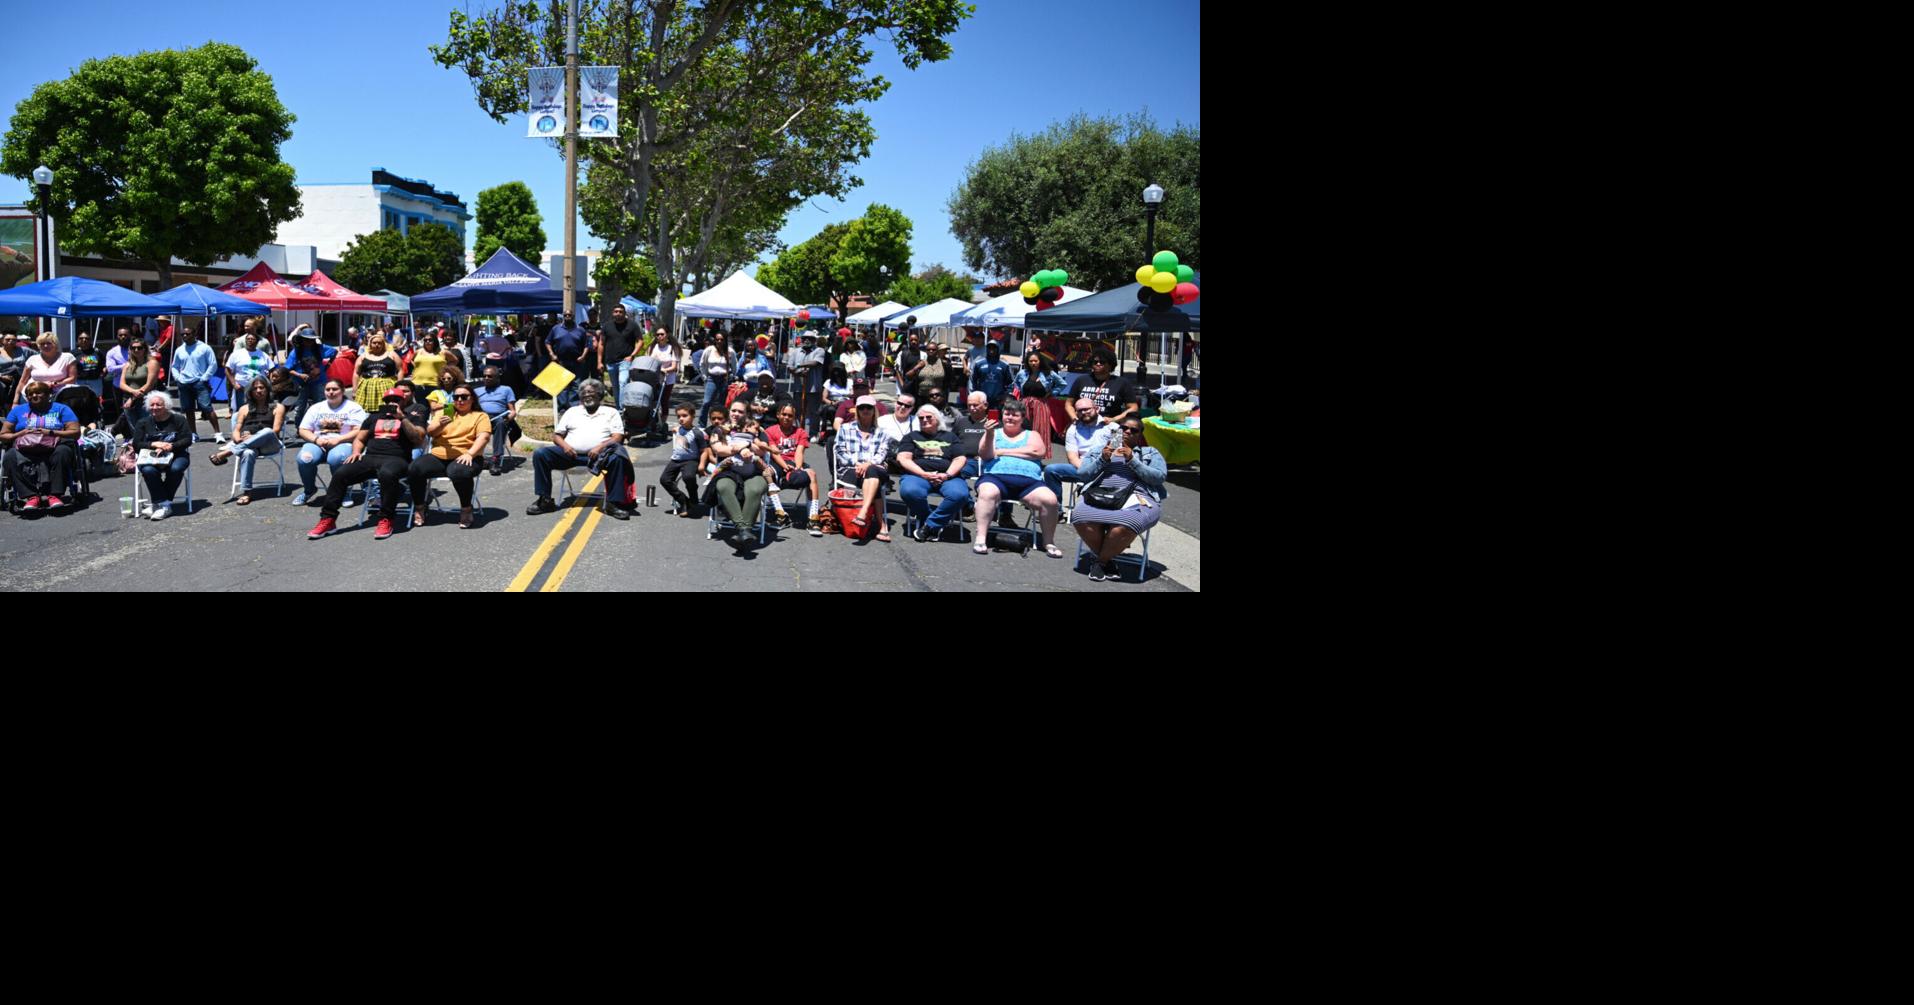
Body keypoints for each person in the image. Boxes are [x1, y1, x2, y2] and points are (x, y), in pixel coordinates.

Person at [305, 387, 424, 541]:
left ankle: (386, 518)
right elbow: (360, 439)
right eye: (388, 401)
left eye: (396, 400)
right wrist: (356, 452)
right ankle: (328, 519)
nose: (392, 403)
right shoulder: (374, 418)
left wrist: (402, 418)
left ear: (404, 402)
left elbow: (418, 439)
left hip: (397, 458)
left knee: (387, 474)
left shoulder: (412, 417)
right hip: (371, 457)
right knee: (341, 474)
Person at [1072, 416, 1167, 581]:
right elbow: (1082, 474)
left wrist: (1132, 460)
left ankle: (1100, 562)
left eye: (1133, 430)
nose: (1127, 432)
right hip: (1099, 495)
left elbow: (1158, 477)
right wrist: (1102, 459)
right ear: (1116, 431)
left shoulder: (1149, 452)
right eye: (1123, 428)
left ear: (1139, 436)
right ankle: (1107, 562)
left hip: (1137, 497)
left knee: (1127, 523)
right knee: (1079, 516)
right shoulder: (1100, 450)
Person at [526, 379, 632, 520]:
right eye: (583, 392)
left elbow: (617, 437)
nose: (586, 395)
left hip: (600, 457)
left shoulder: (610, 412)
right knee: (541, 454)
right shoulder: (572, 411)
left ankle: (613, 504)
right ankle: (544, 500)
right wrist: (565, 446)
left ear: (599, 395)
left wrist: (600, 447)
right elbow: (557, 436)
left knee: (618, 458)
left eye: (590, 392)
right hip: (571, 455)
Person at [972, 399, 1064, 558]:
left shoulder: (1032, 434)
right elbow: (985, 455)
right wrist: (989, 434)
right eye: (1007, 414)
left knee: (1050, 500)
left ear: (1022, 418)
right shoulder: (994, 433)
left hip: (1029, 483)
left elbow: (1038, 452)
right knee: (987, 494)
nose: (1009, 418)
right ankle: (981, 538)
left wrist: (1002, 452)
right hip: (995, 478)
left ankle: (1048, 541)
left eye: (1015, 415)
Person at [407, 381, 490, 529]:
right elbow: (430, 432)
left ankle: (466, 509)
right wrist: (441, 424)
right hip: (440, 455)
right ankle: (420, 507)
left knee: (458, 471)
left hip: (468, 455)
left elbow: (483, 438)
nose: (459, 400)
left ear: (472, 399)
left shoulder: (480, 416)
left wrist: (470, 454)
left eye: (464, 397)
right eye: (456, 397)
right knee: (414, 468)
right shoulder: (444, 412)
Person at [895, 405, 974, 543]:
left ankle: (929, 526)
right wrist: (924, 474)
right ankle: (932, 523)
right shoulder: (911, 437)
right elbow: (903, 458)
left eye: (928, 417)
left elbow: (960, 458)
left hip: (948, 477)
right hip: (918, 476)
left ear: (937, 419)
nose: (924, 420)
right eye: (921, 418)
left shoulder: (950, 437)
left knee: (960, 494)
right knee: (909, 491)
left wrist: (947, 475)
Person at [2, 380, 82, 511]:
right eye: (30, 394)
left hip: (55, 446)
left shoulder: (61, 409)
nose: (34, 396)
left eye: (38, 393)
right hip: (26, 448)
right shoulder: (18, 411)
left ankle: (54, 495)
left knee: (63, 451)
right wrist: (20, 433)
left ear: (48, 394)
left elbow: (76, 433)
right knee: (10, 456)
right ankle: (31, 497)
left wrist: (51, 432)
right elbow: (3, 434)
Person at [706, 399, 773, 549]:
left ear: (747, 414)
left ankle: (744, 530)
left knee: (755, 489)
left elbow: (763, 450)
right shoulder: (719, 430)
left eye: (740, 411)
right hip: (728, 470)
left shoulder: (757, 429)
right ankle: (743, 529)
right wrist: (743, 448)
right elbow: (719, 450)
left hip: (754, 470)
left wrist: (747, 445)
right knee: (723, 486)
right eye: (733, 410)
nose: (736, 414)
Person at [210, 377, 286, 505]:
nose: (258, 391)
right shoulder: (244, 408)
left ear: (267, 390)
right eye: (255, 388)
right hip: (249, 445)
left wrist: (253, 436)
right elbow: (236, 430)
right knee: (247, 453)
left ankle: (229, 452)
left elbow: (276, 430)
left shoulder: (277, 407)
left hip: (270, 444)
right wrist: (237, 438)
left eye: (261, 387)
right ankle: (247, 492)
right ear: (250, 392)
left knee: (267, 431)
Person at [292, 380, 368, 507]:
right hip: (318, 442)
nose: (331, 392)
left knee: (336, 458)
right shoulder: (316, 407)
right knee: (304, 459)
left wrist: (339, 439)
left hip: (343, 442)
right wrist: (316, 440)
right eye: (328, 390)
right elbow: (303, 429)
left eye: (335, 389)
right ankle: (309, 490)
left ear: (343, 391)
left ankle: (343, 491)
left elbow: (359, 430)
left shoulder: (353, 408)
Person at [833, 394, 893, 542]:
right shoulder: (845, 428)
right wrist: (857, 464)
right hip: (851, 469)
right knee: (874, 479)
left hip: (874, 467)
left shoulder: (882, 432)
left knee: (872, 471)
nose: (865, 410)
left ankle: (863, 512)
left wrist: (868, 464)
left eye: (869, 408)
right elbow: (839, 451)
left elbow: (882, 454)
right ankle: (882, 525)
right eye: (861, 408)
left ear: (874, 410)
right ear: (857, 410)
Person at [132, 390, 193, 520]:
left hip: (176, 454)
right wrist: (154, 444)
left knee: (176, 469)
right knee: (148, 470)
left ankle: (158, 503)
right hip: (151, 457)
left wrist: (171, 446)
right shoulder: (142, 422)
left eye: (158, 404)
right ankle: (164, 504)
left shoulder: (178, 419)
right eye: (152, 405)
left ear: (166, 406)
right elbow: (136, 444)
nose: (154, 407)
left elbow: (187, 439)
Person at [764, 402, 821, 533]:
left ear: (794, 417)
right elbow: (774, 452)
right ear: (778, 415)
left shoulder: (800, 432)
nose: (786, 417)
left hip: (795, 462)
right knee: (766, 473)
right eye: (784, 414)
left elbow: (799, 452)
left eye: (790, 415)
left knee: (812, 474)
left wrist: (797, 468)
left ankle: (813, 517)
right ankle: (780, 514)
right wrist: (785, 466)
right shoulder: (770, 431)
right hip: (778, 462)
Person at [1045, 397, 1109, 499]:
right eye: (1080, 410)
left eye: (1087, 409)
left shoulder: (1112, 427)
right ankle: (1056, 510)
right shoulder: (1073, 429)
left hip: (1106, 469)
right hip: (1082, 467)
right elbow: (1072, 457)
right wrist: (1088, 471)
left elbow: (1117, 453)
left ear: (1097, 409)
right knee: (1050, 470)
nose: (1083, 412)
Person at [167, 326, 223, 438]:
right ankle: (193, 433)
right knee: (188, 409)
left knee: (207, 408)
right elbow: (174, 366)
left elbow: (213, 364)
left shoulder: (204, 348)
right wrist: (177, 378)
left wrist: (204, 378)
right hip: (184, 383)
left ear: (194, 334)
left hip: (199, 382)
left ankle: (217, 433)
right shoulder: (180, 350)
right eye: (183, 334)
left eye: (187, 334)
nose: (185, 336)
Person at [1067, 348, 1140, 426]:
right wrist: (1074, 418)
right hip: (1083, 425)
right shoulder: (1081, 380)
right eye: (1095, 362)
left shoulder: (1122, 383)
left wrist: (1114, 419)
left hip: (1108, 426)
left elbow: (1133, 408)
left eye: (1102, 362)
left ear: (1110, 365)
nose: (1098, 364)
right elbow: (1069, 403)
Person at [659, 404, 706, 517]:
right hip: (676, 460)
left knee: (688, 477)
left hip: (691, 460)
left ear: (693, 416)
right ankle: (684, 501)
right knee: (664, 480)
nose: (681, 419)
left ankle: (693, 496)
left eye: (685, 416)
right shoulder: (678, 429)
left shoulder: (697, 433)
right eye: (679, 416)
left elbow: (704, 450)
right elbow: (675, 430)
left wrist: (701, 465)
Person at [283, 326, 334, 427]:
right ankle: (300, 428)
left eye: (311, 340)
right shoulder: (296, 352)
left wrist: (325, 367)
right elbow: (287, 369)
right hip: (301, 384)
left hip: (319, 382)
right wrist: (300, 375)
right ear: (301, 339)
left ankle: (318, 427)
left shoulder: (320, 348)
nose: (309, 342)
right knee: (300, 407)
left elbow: (334, 352)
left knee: (320, 405)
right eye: (306, 340)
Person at [474, 365, 519, 475]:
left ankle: (496, 459)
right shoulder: (477, 390)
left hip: (499, 417)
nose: (486, 378)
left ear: (497, 378)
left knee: (500, 423)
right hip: (481, 418)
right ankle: (475, 457)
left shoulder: (506, 389)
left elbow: (513, 411)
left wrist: (507, 418)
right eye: (484, 376)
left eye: (489, 376)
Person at [12, 333, 77, 407]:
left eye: (49, 343)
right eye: (42, 343)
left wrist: (55, 384)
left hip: (60, 397)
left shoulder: (67, 357)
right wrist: (15, 401)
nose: (45, 346)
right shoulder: (32, 359)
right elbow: (23, 381)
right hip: (31, 396)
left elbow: (72, 378)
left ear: (55, 344)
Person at [546, 314, 593, 411]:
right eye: (566, 315)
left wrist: (583, 356)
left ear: (573, 317)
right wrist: (551, 354)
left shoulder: (580, 330)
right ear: (563, 317)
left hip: (577, 361)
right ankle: (562, 408)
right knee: (562, 385)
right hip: (560, 361)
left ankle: (573, 407)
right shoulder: (556, 329)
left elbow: (587, 345)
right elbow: (547, 342)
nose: (568, 317)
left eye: (570, 315)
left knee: (576, 385)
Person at [224, 330, 274, 416]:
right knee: (241, 412)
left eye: (252, 339)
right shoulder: (237, 354)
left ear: (257, 342)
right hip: (241, 388)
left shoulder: (263, 355)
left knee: (257, 411)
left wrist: (269, 383)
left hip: (258, 389)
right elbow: (227, 369)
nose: (250, 340)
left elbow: (272, 369)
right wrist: (234, 384)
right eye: (248, 339)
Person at [115, 339, 161, 433]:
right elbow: (122, 384)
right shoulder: (128, 364)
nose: (136, 350)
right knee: (135, 430)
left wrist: (132, 399)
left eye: (139, 348)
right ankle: (138, 447)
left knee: (147, 429)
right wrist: (132, 394)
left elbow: (149, 385)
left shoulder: (152, 363)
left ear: (144, 349)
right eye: (133, 348)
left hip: (145, 400)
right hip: (128, 401)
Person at [353, 331, 404, 412]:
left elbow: (400, 370)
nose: (377, 345)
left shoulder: (391, 354)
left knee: (388, 411)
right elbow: (356, 373)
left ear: (383, 344)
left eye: (379, 343)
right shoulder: (363, 356)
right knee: (365, 412)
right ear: (370, 344)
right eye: (374, 343)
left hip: (387, 387)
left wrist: (399, 387)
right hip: (366, 389)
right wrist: (354, 390)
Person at [598, 302, 644, 391]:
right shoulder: (607, 326)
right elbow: (601, 343)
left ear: (624, 313)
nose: (618, 313)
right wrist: (599, 362)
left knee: (623, 382)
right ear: (613, 313)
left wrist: (632, 355)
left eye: (620, 312)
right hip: (610, 361)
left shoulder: (632, 325)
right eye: (616, 311)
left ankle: (623, 405)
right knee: (615, 387)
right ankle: (619, 405)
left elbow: (640, 341)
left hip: (625, 361)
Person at [792, 333, 828, 436]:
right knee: (798, 410)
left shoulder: (819, 350)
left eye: (810, 338)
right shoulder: (796, 351)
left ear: (814, 340)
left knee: (814, 411)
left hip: (813, 387)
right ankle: (799, 432)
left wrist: (799, 365)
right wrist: (798, 372)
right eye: (804, 338)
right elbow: (790, 366)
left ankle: (812, 433)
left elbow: (815, 363)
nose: (807, 340)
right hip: (799, 386)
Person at [102, 328, 134, 424]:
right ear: (117, 337)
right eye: (120, 335)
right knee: (122, 411)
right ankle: (125, 433)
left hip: (136, 385)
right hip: (119, 386)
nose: (123, 337)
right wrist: (127, 366)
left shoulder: (137, 348)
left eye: (125, 335)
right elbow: (111, 368)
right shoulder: (112, 352)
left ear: (130, 336)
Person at [971, 341, 1013, 410]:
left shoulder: (1004, 365)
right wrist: (976, 393)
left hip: (998, 400)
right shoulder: (979, 363)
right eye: (989, 347)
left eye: (994, 348)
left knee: (997, 419)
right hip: (982, 399)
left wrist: (1005, 396)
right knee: (982, 419)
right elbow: (974, 380)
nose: (991, 350)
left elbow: (1010, 383)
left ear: (998, 349)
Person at [71, 332, 106, 401]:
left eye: (87, 338)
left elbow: (104, 364)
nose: (84, 340)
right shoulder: (73, 353)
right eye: (81, 338)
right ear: (77, 341)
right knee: (80, 401)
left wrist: (104, 371)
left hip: (95, 381)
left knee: (96, 401)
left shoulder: (97, 352)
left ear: (91, 341)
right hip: (79, 381)